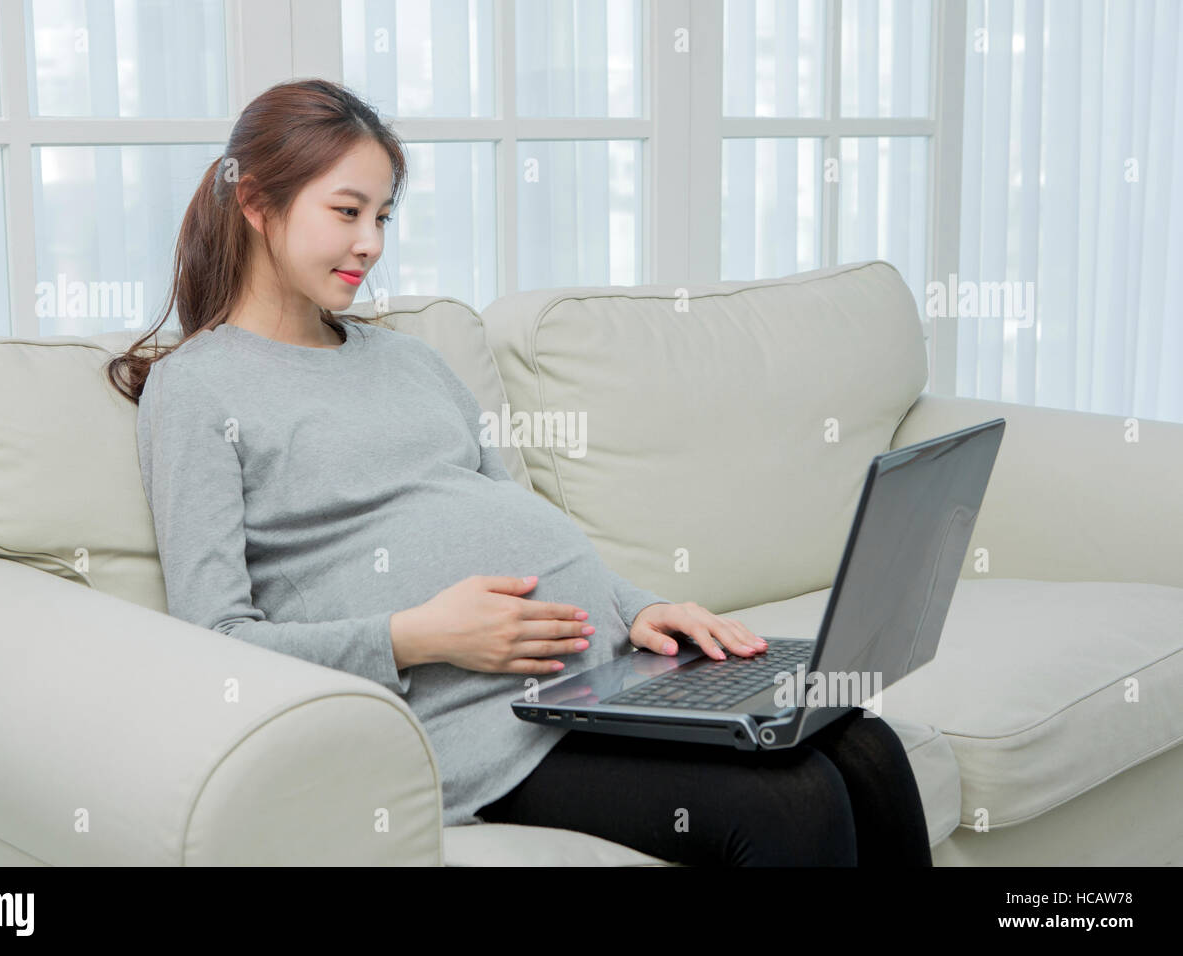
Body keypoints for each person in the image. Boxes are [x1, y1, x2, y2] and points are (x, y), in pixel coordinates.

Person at [106, 78, 932, 867]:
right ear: (255, 203)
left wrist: (643, 607)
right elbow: (215, 641)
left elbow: (507, 509)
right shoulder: (198, 388)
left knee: (866, 744)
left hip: (605, 674)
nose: (372, 243)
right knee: (797, 802)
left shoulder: (408, 358)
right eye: (347, 212)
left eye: (384, 215)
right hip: (484, 726)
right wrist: (417, 635)